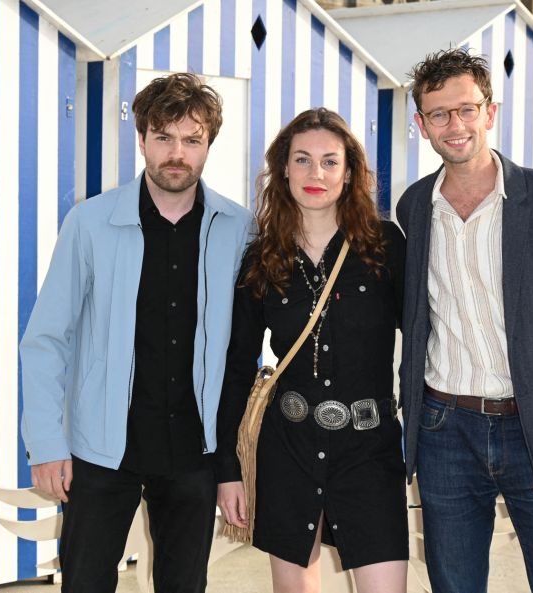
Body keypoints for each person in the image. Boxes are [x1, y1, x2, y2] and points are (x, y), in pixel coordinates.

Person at [20, 72, 254, 593]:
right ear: (142, 138)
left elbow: (244, 348)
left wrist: (232, 460)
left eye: (192, 140)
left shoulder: (238, 229)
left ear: (208, 145)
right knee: (84, 583)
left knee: (184, 585)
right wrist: (45, 443)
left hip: (195, 451)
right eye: (164, 137)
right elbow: (45, 339)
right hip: (102, 450)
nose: (178, 153)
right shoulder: (90, 222)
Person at [396, 48, 533, 593]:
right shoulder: (414, 208)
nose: (454, 125)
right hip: (445, 431)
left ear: (490, 112)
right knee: (454, 584)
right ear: (421, 125)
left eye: (466, 109)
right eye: (438, 114)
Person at [216, 108, 409, 593]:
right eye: (302, 160)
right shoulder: (262, 256)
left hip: (370, 452)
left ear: (349, 172)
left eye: (329, 161)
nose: (315, 174)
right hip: (289, 449)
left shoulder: (385, 245)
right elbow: (235, 368)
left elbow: (429, 338)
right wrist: (229, 471)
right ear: (283, 169)